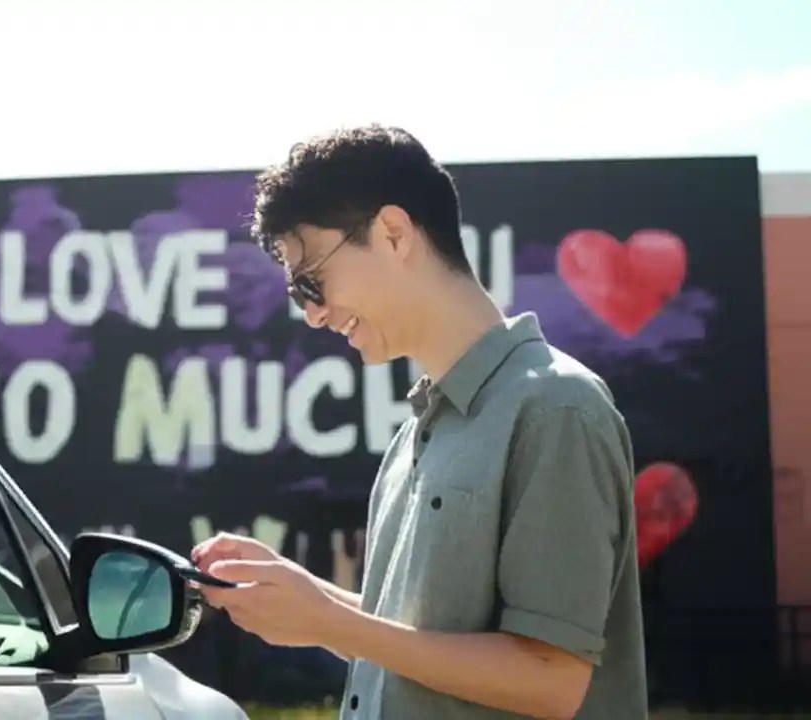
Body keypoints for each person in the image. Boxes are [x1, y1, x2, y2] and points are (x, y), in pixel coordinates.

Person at [192, 125, 647, 718]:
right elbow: (418, 642)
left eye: (312, 281)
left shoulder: (557, 408)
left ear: (393, 233)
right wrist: (300, 595)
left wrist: (328, 619)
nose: (312, 313)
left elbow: (549, 679)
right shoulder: (419, 431)